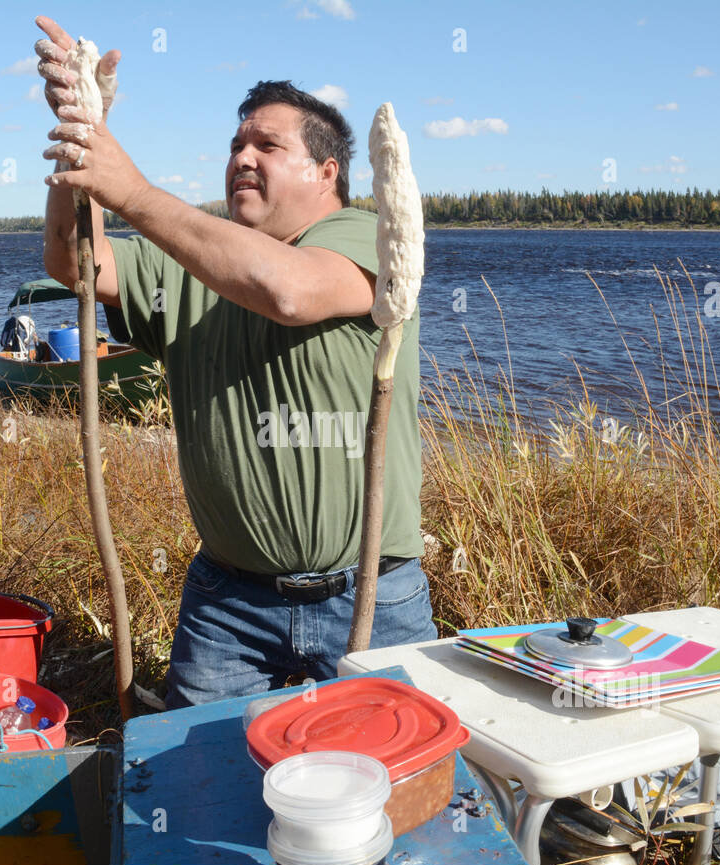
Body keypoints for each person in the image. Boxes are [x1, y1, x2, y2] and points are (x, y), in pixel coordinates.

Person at [35, 16, 436, 708]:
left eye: (267, 144)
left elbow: (286, 288)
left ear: (326, 172)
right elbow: (75, 264)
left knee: (392, 788)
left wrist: (131, 190)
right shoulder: (193, 259)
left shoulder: (371, 239)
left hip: (372, 590)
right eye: (236, 144)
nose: (242, 156)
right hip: (229, 602)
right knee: (199, 781)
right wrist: (82, 134)